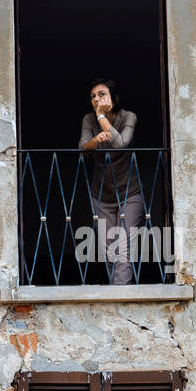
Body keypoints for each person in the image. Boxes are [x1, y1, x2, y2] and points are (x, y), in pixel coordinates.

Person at [79, 78, 144, 284]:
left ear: (114, 99)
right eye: (93, 97)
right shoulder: (88, 120)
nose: (96, 99)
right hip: (101, 196)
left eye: (101, 95)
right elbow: (83, 148)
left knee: (123, 248)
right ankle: (118, 292)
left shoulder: (128, 117)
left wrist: (101, 116)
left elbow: (121, 143)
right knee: (110, 250)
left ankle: (121, 298)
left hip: (130, 194)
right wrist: (94, 141)